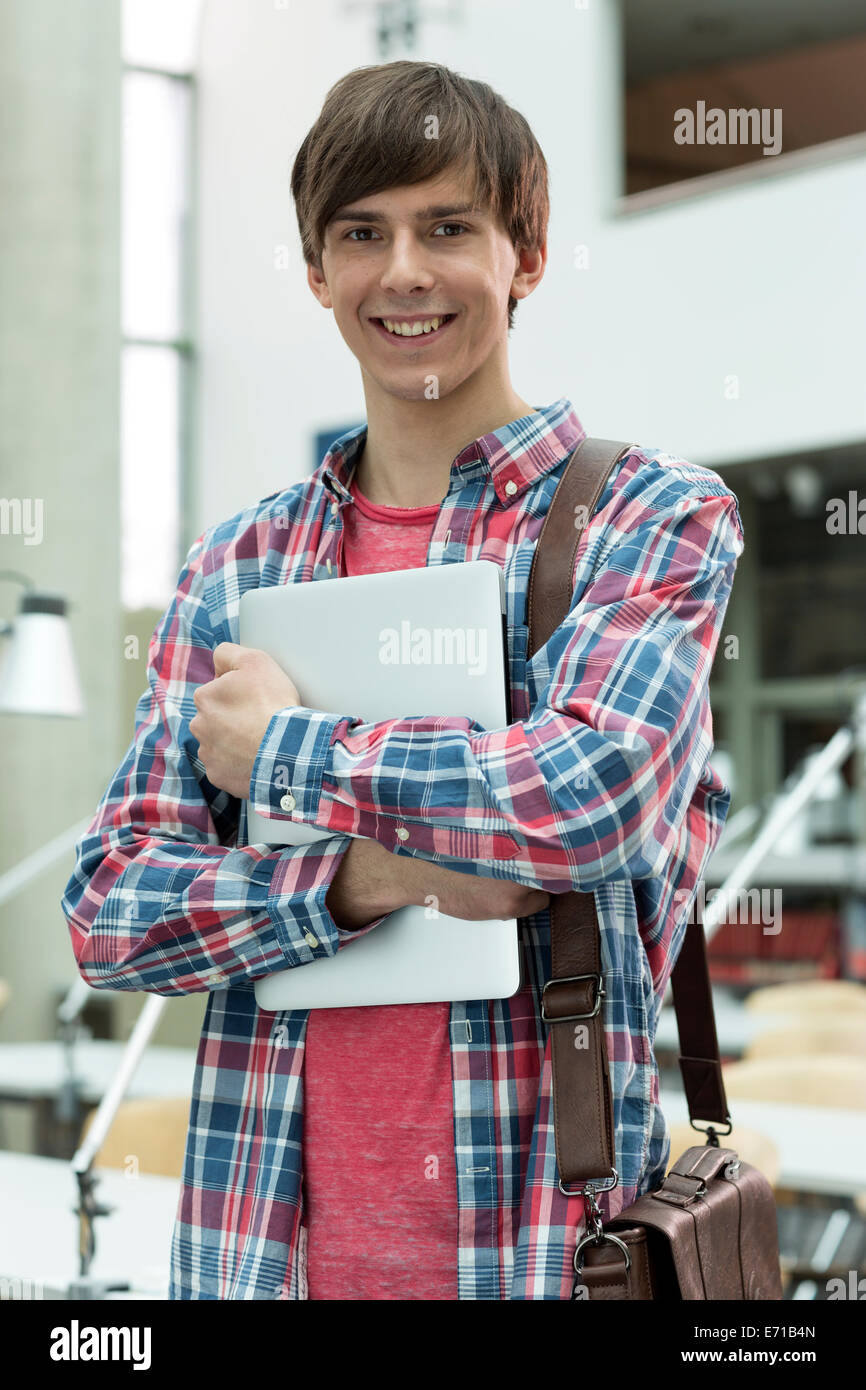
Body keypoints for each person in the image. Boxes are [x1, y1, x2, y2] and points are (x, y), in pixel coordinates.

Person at [61, 60, 744, 1300]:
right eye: (361, 234)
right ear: (317, 271)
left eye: (446, 228)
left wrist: (283, 755)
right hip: (260, 1259)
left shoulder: (650, 514)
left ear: (524, 250)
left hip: (551, 1259)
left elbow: (585, 797)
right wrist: (373, 879)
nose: (404, 273)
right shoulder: (238, 561)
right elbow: (109, 908)